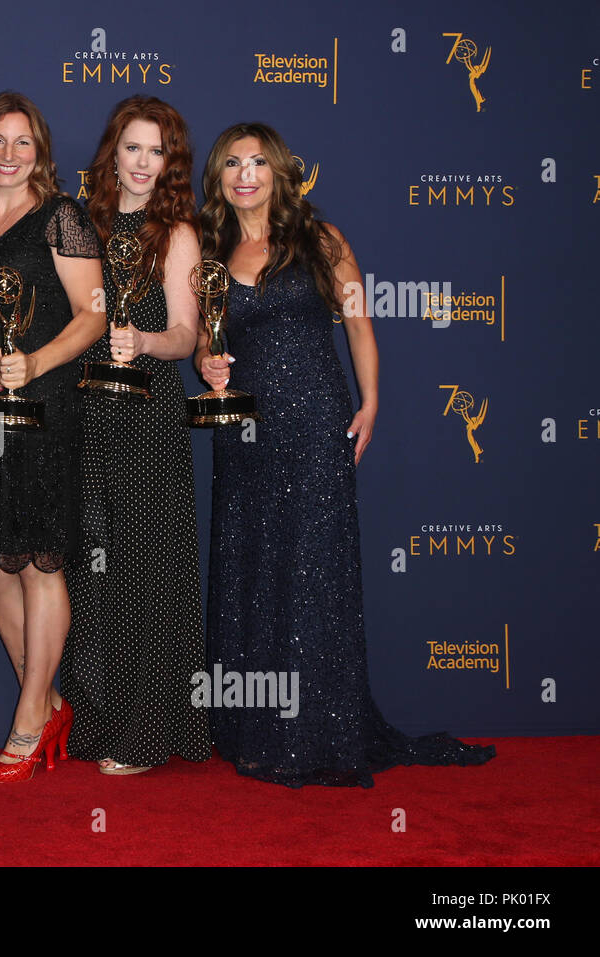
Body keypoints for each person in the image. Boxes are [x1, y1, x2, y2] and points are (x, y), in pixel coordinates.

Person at [197, 122, 495, 787]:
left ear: (279, 172)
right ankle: (255, 728)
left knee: (312, 574)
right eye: (232, 164)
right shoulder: (210, 255)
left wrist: (372, 401)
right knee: (252, 569)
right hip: (243, 434)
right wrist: (207, 364)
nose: (246, 175)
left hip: (313, 424)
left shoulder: (321, 240)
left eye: (258, 163)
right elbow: (201, 344)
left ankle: (318, 732)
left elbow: (359, 323)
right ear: (218, 177)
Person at [0, 92, 104, 783]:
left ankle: (32, 715)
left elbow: (95, 315)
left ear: (40, 152)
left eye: (23, 142)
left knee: (42, 562)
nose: (9, 155)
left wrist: (34, 362)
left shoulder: (61, 218)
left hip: (45, 407)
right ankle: (48, 701)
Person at [60, 95, 211, 775]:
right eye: (133, 148)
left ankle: (146, 731)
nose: (144, 163)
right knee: (90, 570)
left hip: (149, 411)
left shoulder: (176, 232)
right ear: (112, 152)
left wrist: (144, 337)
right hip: (87, 414)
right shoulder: (77, 222)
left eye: (158, 151)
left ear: (170, 161)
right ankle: (93, 720)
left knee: (146, 568)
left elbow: (185, 333)